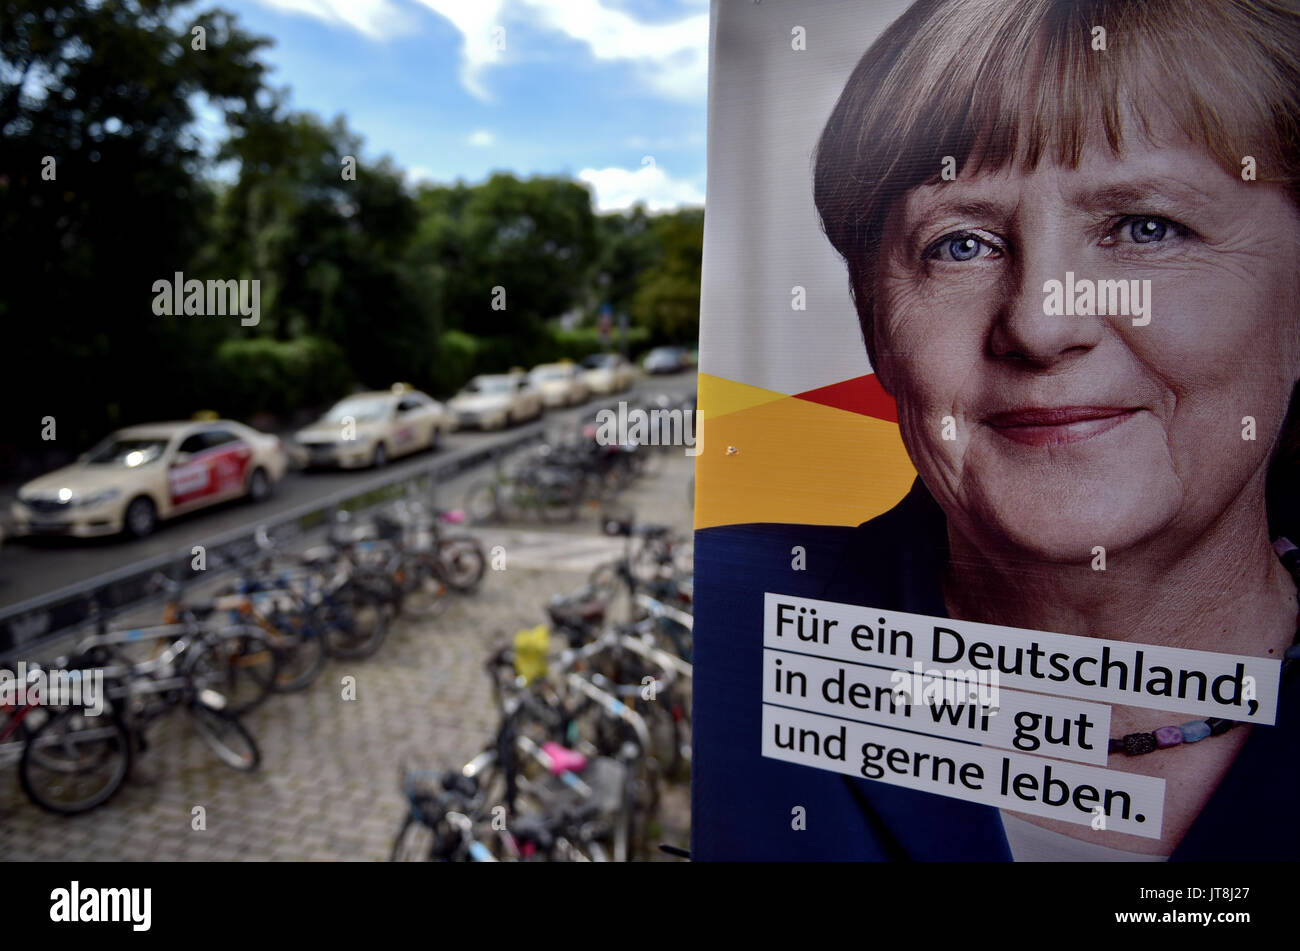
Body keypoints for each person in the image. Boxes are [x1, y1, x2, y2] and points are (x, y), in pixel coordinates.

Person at [693, 0, 1300, 860]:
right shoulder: (711, 627)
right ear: (876, 320)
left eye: (1146, 227)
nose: (1042, 324)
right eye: (960, 245)